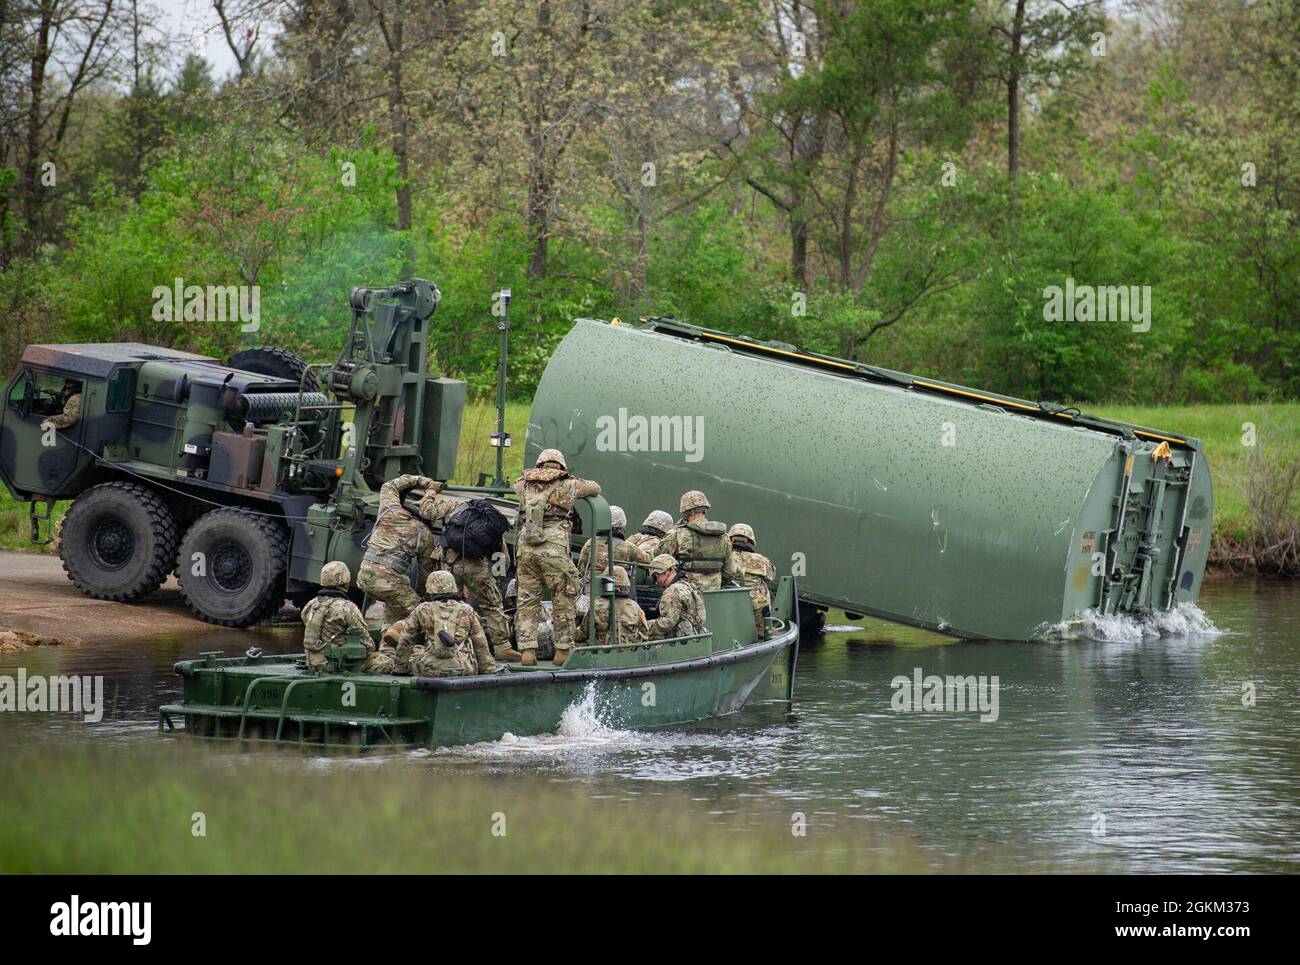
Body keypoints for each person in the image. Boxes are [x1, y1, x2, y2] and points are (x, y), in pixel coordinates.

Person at [512, 448, 600, 668]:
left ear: (540, 464)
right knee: (564, 597)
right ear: (560, 466)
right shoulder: (568, 484)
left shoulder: (524, 483)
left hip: (526, 549)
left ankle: (527, 651)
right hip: (554, 549)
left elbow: (515, 485)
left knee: (527, 599)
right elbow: (595, 487)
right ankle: (562, 651)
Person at [419, 487, 521, 663]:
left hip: (449, 564)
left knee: (445, 604)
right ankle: (502, 648)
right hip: (477, 566)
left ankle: (442, 646)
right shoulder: (488, 520)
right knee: (492, 606)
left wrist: (430, 492)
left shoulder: (453, 505)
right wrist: (494, 579)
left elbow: (426, 512)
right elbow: (502, 558)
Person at [356, 474, 441, 623]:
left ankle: (388, 638)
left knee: (394, 604)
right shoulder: (425, 534)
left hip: (364, 577)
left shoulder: (389, 510)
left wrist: (424, 482)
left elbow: (389, 485)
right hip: (389, 584)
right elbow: (425, 575)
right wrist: (421, 596)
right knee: (423, 614)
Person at [401, 571, 499, 676]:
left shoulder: (423, 609)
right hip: (462, 668)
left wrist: (399, 669)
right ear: (453, 587)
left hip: (430, 668)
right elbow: (480, 643)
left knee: (416, 654)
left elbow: (406, 638)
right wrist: (488, 670)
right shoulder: (467, 609)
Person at [301, 561, 391, 673]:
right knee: (387, 662)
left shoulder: (310, 605)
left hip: (313, 663)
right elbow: (368, 645)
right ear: (345, 581)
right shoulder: (347, 608)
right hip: (340, 665)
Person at [655, 490, 742, 591]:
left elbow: (658, 560)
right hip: (713, 596)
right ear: (705, 509)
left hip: (685, 597)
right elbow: (730, 572)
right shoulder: (724, 537)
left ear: (685, 512)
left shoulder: (678, 534)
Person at [578, 565, 649, 646]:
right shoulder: (634, 606)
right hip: (629, 652)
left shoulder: (597, 606)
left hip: (604, 653)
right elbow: (645, 632)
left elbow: (582, 634)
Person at [728, 523, 777, 638]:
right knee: (764, 588)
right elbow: (771, 576)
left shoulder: (724, 558)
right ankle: (762, 629)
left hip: (729, 605)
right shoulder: (760, 560)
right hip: (755, 608)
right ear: (750, 541)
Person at [577, 505, 651, 578]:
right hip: (616, 587)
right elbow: (647, 560)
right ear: (621, 524)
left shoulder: (590, 543)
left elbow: (582, 568)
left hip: (591, 587)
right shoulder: (626, 546)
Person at [645, 554, 706, 640]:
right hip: (693, 637)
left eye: (656, 577)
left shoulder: (673, 591)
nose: (656, 582)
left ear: (667, 571)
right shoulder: (688, 585)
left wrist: (643, 626)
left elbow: (666, 623)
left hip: (678, 641)